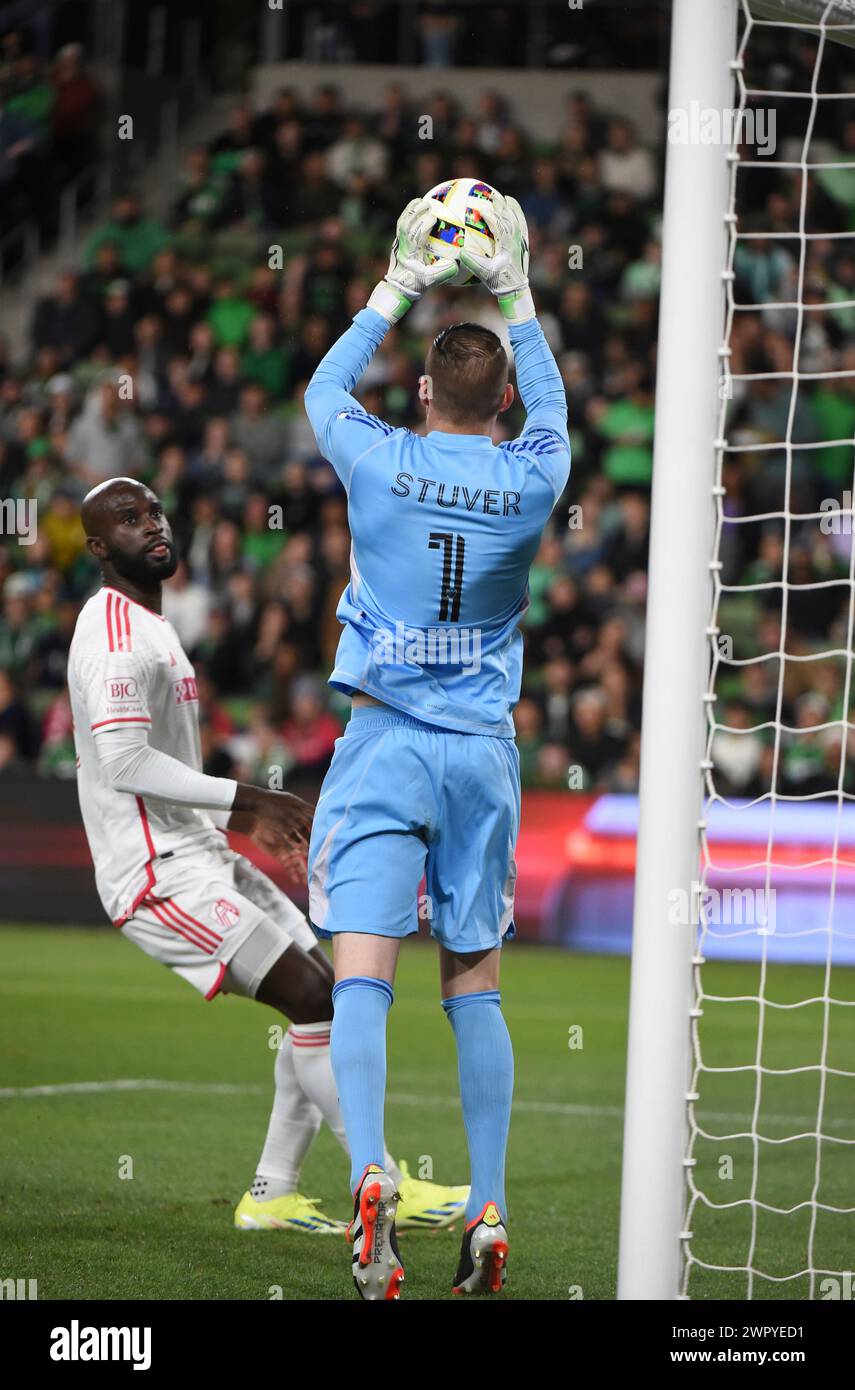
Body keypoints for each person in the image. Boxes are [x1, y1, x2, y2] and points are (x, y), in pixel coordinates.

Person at [66, 477, 468, 1238]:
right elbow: (122, 762)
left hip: (199, 853)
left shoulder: (147, 622)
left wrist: (233, 822)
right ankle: (377, 1180)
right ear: (96, 548)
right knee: (318, 999)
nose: (151, 524)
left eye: (154, 509)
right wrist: (248, 800)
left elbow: (154, 762)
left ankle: (272, 1193)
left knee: (322, 993)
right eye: (127, 519)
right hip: (154, 876)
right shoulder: (115, 633)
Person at [304, 193, 571, 1297]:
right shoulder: (533, 476)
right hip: (482, 757)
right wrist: (513, 290)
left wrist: (396, 287)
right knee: (478, 982)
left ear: (423, 391)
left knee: (360, 972)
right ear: (501, 398)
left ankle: (372, 1170)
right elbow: (553, 408)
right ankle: (490, 1197)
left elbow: (323, 388)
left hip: (385, 743)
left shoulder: (372, 457)